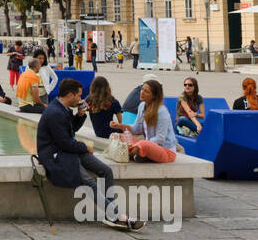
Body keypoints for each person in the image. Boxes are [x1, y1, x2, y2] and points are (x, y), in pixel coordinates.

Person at [36, 78, 143, 230]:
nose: (81, 98)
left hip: (66, 150)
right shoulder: (55, 113)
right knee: (89, 182)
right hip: (56, 155)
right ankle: (119, 216)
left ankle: (110, 215)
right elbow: (64, 142)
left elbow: (70, 130)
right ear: (70, 94)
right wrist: (84, 147)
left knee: (106, 171)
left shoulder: (62, 108)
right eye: (79, 95)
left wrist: (79, 115)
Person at [124, 79, 179, 163]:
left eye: (146, 91)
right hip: (149, 145)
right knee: (119, 137)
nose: (142, 92)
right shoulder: (142, 106)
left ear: (154, 96)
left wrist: (139, 144)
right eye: (142, 89)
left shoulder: (161, 111)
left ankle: (128, 154)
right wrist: (119, 126)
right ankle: (137, 154)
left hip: (166, 151)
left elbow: (160, 139)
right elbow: (135, 129)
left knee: (143, 144)